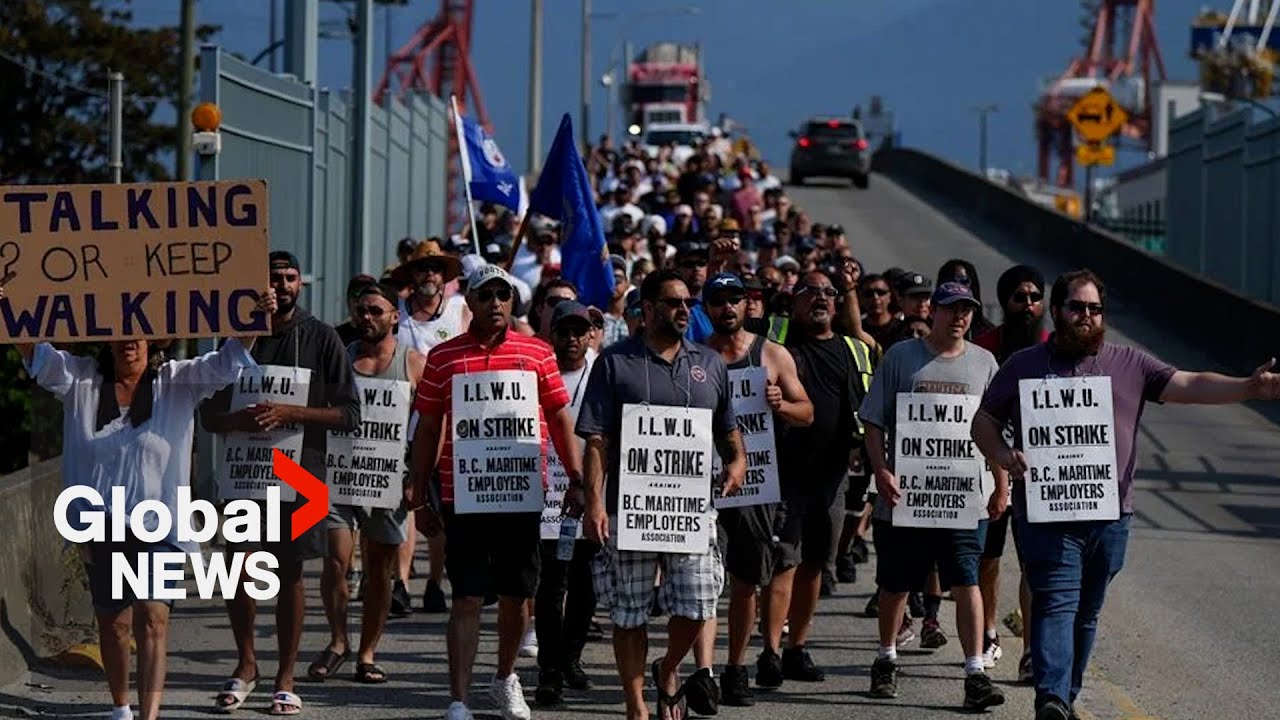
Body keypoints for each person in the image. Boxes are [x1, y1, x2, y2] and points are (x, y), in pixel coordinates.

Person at [970, 269, 1280, 720]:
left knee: (1087, 612)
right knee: (1057, 601)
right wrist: (1003, 454)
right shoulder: (1024, 365)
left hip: (1110, 516)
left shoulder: (1129, 364)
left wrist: (1248, 388)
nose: (1087, 316)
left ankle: (1065, 695)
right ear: (1057, 312)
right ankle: (1051, 697)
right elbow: (984, 422)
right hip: (1048, 513)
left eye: (1095, 309)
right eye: (1077, 307)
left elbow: (1189, 385)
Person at [4, 284, 273, 720]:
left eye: (139, 333)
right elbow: (33, 350)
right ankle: (121, 709)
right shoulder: (81, 382)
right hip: (101, 526)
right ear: (107, 339)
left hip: (161, 526)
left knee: (153, 619)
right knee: (115, 624)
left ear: (154, 340)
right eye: (121, 333)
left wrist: (254, 316)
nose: (129, 341)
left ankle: (148, 715)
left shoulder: (179, 382)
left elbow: (229, 359)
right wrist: (6, 303)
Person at [405, 264, 584, 720]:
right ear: (472, 302)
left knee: (517, 596)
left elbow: (561, 419)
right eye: (486, 296)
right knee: (466, 597)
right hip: (463, 495)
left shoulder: (537, 353)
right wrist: (419, 494)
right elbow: (427, 428)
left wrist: (576, 477)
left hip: (521, 494)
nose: (496, 303)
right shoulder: (443, 358)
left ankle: (505, 678)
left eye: (503, 295)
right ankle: (458, 699)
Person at [576, 269, 748, 720]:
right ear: (647, 309)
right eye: (673, 302)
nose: (683, 310)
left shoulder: (710, 364)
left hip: (690, 511)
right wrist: (594, 502)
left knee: (697, 605)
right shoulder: (614, 362)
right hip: (630, 511)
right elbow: (597, 440)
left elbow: (729, 433)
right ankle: (636, 707)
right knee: (629, 614)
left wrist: (737, 464)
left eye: (687, 303)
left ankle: (668, 666)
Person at [201, 251, 362, 716]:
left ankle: (285, 676)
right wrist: (235, 419)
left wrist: (292, 413)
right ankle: (246, 664)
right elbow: (208, 416)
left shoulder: (322, 337)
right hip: (243, 470)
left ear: (301, 286)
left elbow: (349, 414)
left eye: (291, 277)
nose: (284, 284)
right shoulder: (236, 340)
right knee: (240, 568)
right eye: (275, 277)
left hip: (300, 474)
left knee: (290, 571)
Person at [858, 281, 1007, 711]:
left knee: (966, 580)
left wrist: (1001, 484)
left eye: (966, 310)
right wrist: (881, 470)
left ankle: (975, 670)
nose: (959, 317)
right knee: (894, 584)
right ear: (934, 312)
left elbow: (994, 429)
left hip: (963, 498)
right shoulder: (903, 357)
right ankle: (886, 658)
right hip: (905, 497)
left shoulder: (984, 363)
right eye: (950, 309)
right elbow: (873, 421)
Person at [699, 274, 814, 707]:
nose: (728, 307)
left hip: (756, 485)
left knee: (747, 581)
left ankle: (735, 668)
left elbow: (807, 412)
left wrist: (781, 404)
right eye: (719, 301)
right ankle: (705, 671)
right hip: (705, 483)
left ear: (748, 306)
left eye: (735, 300)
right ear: (707, 308)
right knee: (704, 582)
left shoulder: (772, 354)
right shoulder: (697, 357)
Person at [309, 282, 425, 685]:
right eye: (361, 310)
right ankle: (338, 641)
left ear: (395, 315)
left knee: (380, 569)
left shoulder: (412, 363)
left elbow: (430, 424)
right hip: (338, 476)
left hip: (388, 480)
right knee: (336, 561)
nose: (367, 318)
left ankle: (367, 653)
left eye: (377, 311)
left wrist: (419, 477)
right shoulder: (338, 359)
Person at [774, 270, 876, 683]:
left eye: (828, 293)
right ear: (793, 302)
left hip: (831, 477)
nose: (820, 298)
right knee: (784, 563)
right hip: (782, 475)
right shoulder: (776, 338)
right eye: (810, 292)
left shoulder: (853, 349)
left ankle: (797, 648)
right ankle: (769, 651)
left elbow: (863, 334)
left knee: (815, 565)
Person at [972, 263, 1049, 680]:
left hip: (1038, 475)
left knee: (1034, 564)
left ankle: (1031, 653)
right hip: (988, 470)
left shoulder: (1053, 347)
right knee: (989, 558)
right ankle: (986, 633)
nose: (1028, 305)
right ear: (1005, 302)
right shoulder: (984, 348)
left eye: (1035, 297)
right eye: (1020, 297)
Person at [391, 239, 469, 614]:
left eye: (436, 269)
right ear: (411, 274)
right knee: (408, 501)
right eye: (423, 268)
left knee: (439, 508)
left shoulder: (459, 312)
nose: (429, 276)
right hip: (403, 422)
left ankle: (435, 582)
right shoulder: (396, 315)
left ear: (444, 277)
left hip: (448, 424)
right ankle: (401, 582)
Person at [533, 301, 602, 707]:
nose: (573, 339)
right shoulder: (539, 370)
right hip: (547, 494)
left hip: (590, 492)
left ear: (591, 333)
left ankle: (572, 657)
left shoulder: (603, 372)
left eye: (580, 331)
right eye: (565, 331)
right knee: (550, 582)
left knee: (585, 583)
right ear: (553, 334)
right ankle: (549, 669)